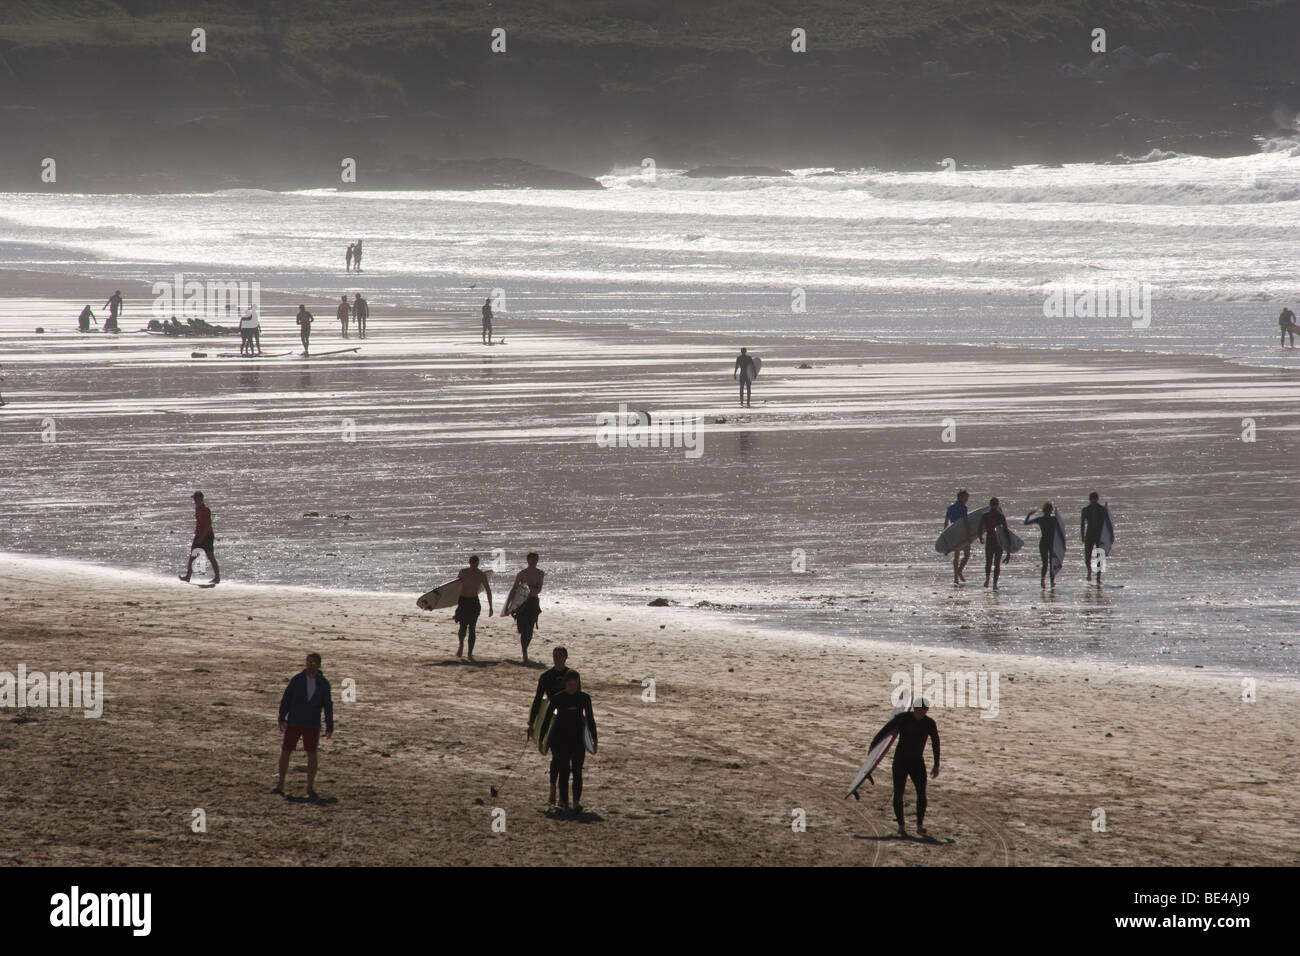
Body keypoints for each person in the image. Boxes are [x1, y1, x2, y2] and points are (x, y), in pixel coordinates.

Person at [868, 699, 940, 837]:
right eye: (918, 710)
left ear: (927, 710)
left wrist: (936, 764)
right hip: (900, 761)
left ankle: (920, 825)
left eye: (924, 710)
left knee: (921, 794)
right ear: (914, 708)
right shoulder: (903, 718)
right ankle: (901, 826)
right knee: (898, 793)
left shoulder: (929, 723)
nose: (921, 713)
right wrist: (873, 746)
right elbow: (885, 730)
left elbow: (935, 742)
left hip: (917, 762)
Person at [274, 652, 334, 799]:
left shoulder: (323, 683)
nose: (309, 665)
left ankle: (310, 787)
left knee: (312, 753)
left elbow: (328, 705)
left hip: (312, 723)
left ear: (319, 665)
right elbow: (286, 698)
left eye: (313, 663)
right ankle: (280, 784)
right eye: (308, 662)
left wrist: (329, 725)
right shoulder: (297, 680)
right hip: (294, 720)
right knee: (286, 750)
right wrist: (281, 717)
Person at [547, 671, 597, 812]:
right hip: (560, 740)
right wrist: (543, 740)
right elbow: (547, 719)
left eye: (575, 684)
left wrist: (594, 739)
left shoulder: (584, 698)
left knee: (577, 772)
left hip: (578, 740)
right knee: (564, 771)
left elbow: (590, 719)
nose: (573, 687)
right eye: (570, 684)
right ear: (565, 684)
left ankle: (576, 802)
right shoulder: (558, 698)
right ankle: (564, 802)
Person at [453, 555, 493, 660]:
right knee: (462, 627)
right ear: (469, 563)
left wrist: (491, 607)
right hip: (463, 601)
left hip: (474, 602)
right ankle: (461, 644)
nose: (474, 565)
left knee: (472, 628)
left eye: (476, 563)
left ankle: (470, 653)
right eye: (472, 563)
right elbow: (455, 587)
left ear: (478, 563)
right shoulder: (463, 572)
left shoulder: (481, 575)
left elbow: (488, 591)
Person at [508, 552, 545, 662]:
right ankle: (524, 652)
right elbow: (514, 589)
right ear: (527, 560)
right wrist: (508, 606)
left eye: (536, 559)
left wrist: (526, 587)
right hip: (522, 603)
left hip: (533, 602)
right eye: (532, 559)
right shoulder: (521, 574)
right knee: (523, 629)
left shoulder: (540, 573)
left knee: (530, 629)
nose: (534, 562)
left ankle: (525, 650)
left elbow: (539, 590)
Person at [179, 490, 220, 584]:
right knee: (192, 556)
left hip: (207, 536)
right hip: (199, 535)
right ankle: (188, 576)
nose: (194, 500)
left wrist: (202, 537)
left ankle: (217, 577)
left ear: (199, 498)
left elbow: (208, 525)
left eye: (195, 498)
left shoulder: (205, 509)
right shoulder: (197, 508)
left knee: (210, 557)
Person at [1024, 502, 1060, 589]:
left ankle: (1043, 581)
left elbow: (1026, 523)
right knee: (1051, 563)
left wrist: (1029, 514)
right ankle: (1051, 581)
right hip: (1051, 543)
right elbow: (1060, 531)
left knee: (1045, 564)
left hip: (1043, 543)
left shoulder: (1041, 519)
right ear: (1050, 510)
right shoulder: (1054, 519)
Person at [976, 496, 1008, 589]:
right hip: (998, 541)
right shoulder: (1001, 516)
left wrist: (981, 538)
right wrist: (1008, 547)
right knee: (997, 563)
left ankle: (987, 579)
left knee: (988, 562)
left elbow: (979, 529)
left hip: (989, 540)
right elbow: (1005, 531)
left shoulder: (985, 515)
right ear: (997, 505)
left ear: (990, 505)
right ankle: (995, 584)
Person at [944, 489, 972, 584]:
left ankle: (956, 578)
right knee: (967, 555)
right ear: (961, 497)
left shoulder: (950, 507)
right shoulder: (963, 507)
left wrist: (946, 534)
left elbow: (946, 521)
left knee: (956, 556)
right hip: (962, 534)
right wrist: (969, 535)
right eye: (966, 497)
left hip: (953, 533)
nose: (967, 499)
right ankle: (959, 571)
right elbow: (966, 521)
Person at [1081, 491, 1107, 585]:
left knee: (1100, 556)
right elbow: (1082, 523)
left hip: (1100, 535)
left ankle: (1098, 577)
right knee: (1087, 556)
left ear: (1097, 499)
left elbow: (1107, 523)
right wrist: (1082, 535)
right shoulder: (1085, 510)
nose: (1093, 501)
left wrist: (1110, 535)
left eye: (1095, 499)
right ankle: (1089, 570)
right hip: (1089, 535)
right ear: (1090, 499)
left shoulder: (1103, 509)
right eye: (1092, 499)